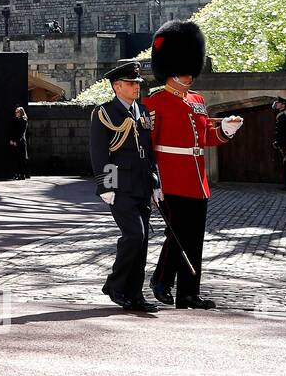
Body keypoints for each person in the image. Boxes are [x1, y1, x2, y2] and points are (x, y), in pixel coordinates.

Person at [143, 20, 243, 310]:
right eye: (183, 72)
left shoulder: (197, 100)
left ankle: (188, 292)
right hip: (171, 177)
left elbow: (205, 136)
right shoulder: (156, 102)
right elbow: (148, 144)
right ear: (170, 72)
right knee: (178, 233)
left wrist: (226, 130)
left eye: (190, 71)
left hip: (197, 177)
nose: (189, 77)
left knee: (194, 237)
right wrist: (154, 178)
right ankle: (161, 281)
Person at [89, 61, 160, 312]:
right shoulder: (105, 113)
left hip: (141, 184)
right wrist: (106, 186)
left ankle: (135, 293)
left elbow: (148, 152)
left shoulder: (140, 111)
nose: (136, 87)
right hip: (120, 186)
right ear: (117, 86)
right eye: (131, 83)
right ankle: (115, 285)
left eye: (137, 83)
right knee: (134, 236)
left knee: (142, 243)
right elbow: (99, 152)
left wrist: (155, 182)